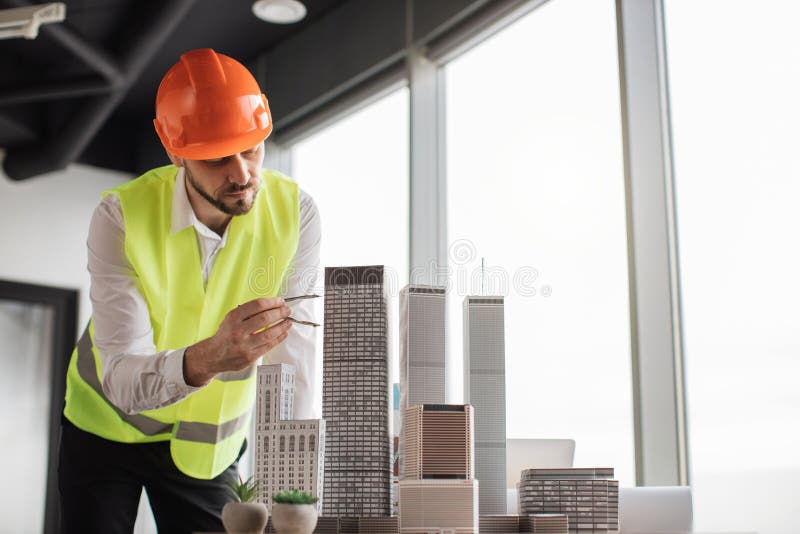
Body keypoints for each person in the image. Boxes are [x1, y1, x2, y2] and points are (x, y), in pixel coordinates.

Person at [58, 48, 321, 534]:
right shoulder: (120, 217)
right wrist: (207, 358)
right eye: (219, 157)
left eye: (251, 148)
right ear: (175, 149)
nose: (242, 174)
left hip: (208, 449)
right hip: (105, 428)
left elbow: (296, 354)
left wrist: (290, 483)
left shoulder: (296, 213)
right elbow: (120, 376)